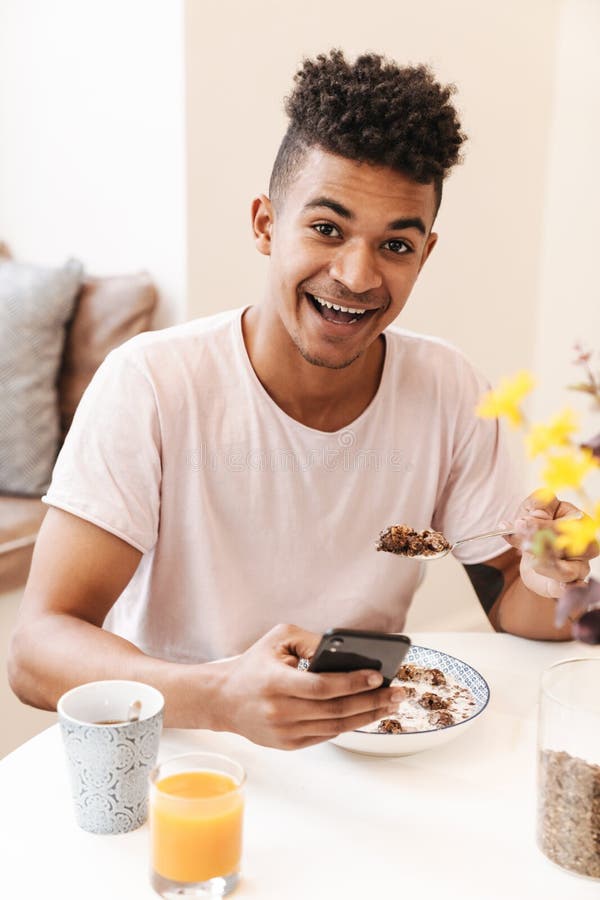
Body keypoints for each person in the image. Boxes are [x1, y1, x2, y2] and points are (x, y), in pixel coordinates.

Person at [9, 50, 597, 749]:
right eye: (326, 228)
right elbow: (36, 651)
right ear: (265, 225)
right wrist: (224, 698)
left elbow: (510, 602)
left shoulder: (448, 389)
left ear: (425, 255)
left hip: (372, 747)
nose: (356, 273)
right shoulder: (151, 384)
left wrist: (544, 574)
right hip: (188, 749)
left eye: (396, 245)